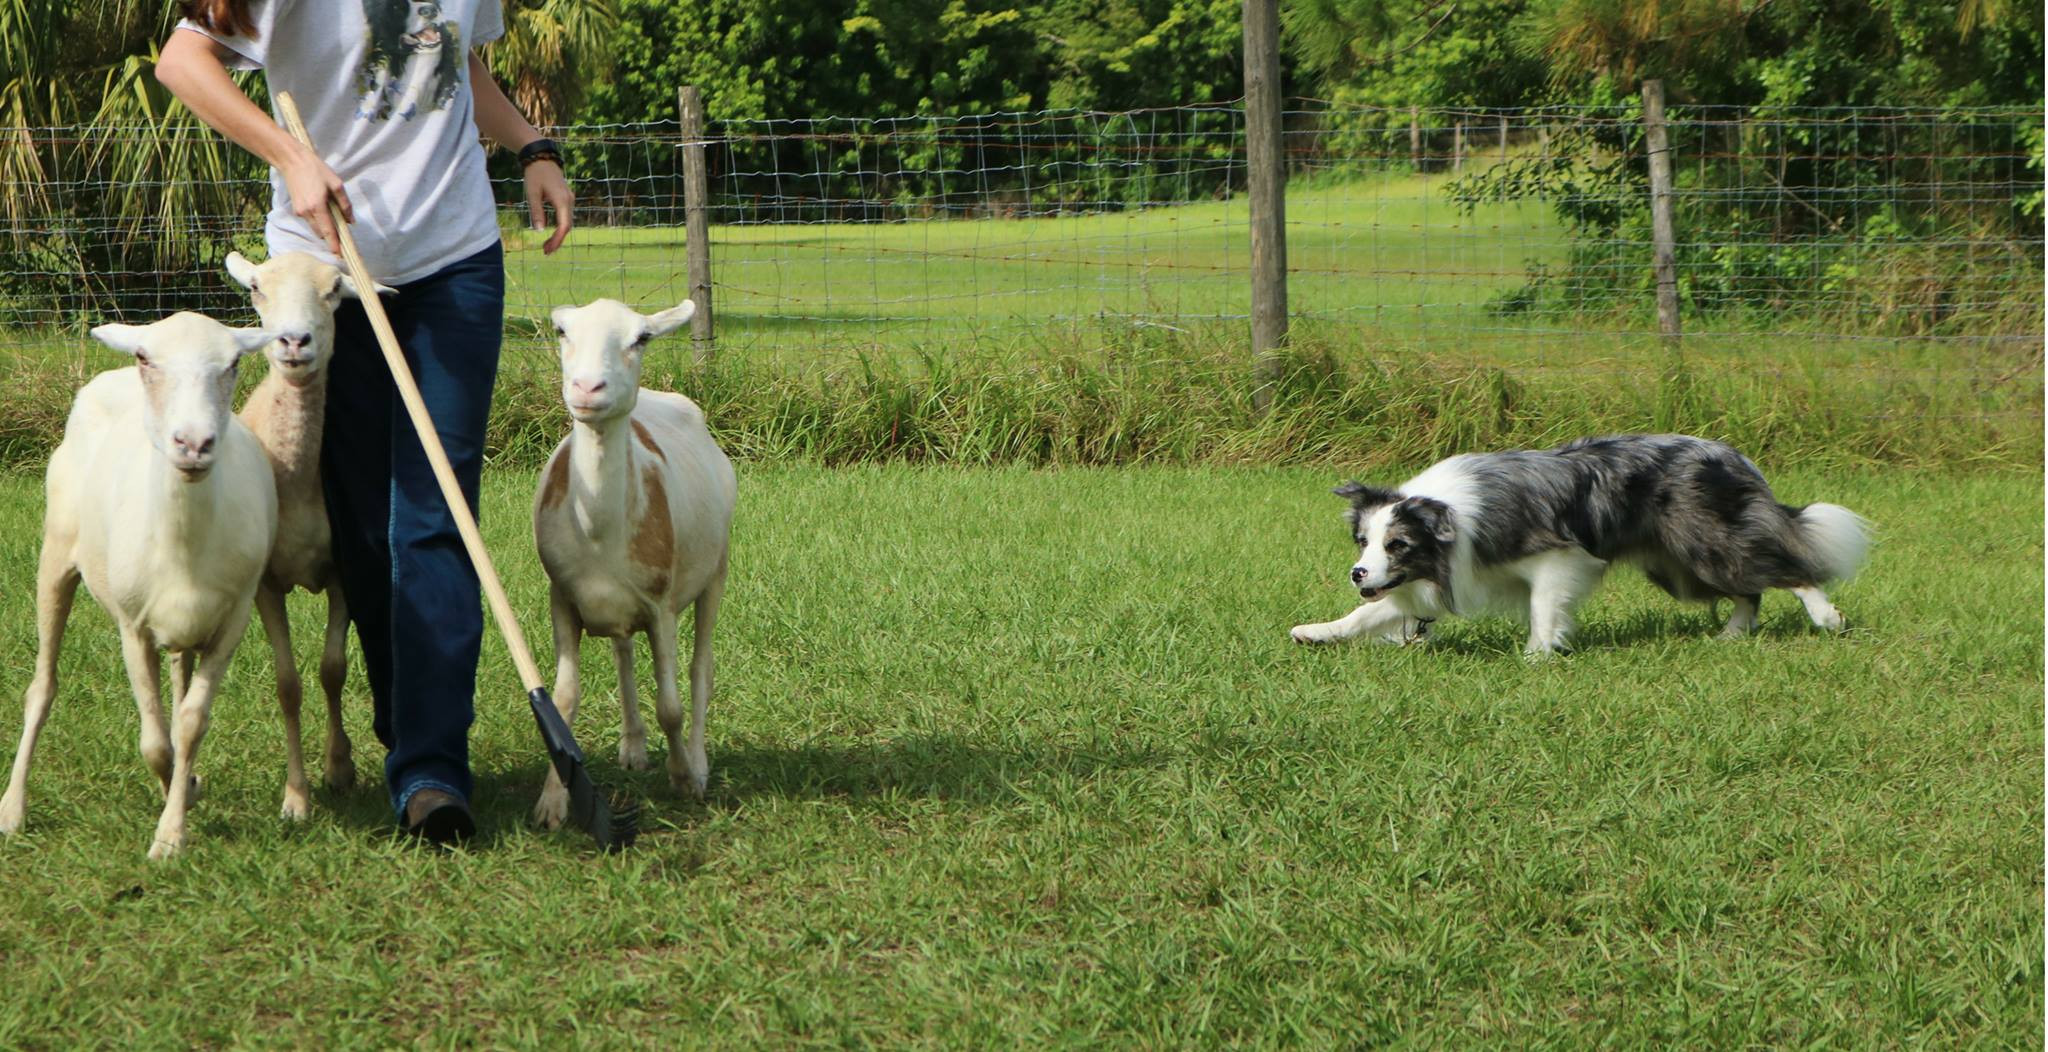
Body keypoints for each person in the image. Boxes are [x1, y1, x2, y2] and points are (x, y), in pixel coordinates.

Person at [157, 0, 574, 844]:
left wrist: (531, 146)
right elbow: (182, 63)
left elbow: (461, 72)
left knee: (436, 509)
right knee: (364, 522)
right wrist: (290, 157)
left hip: (454, 264)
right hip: (324, 273)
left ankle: (430, 768)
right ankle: (405, 727)